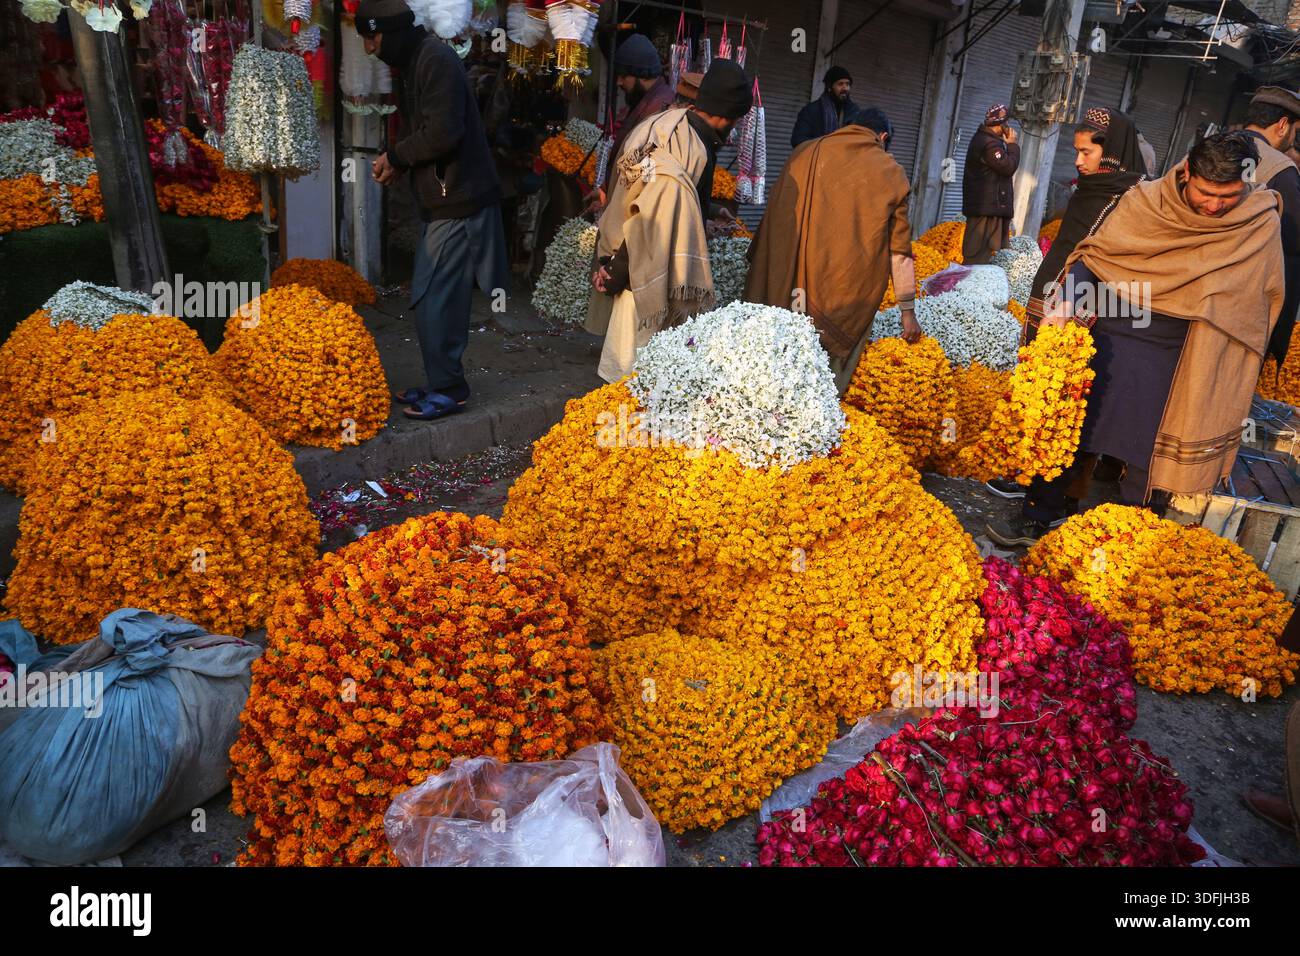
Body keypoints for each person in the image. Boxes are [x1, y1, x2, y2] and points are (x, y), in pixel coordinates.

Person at [986, 132, 1285, 547]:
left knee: (1151, 452)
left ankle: (1127, 541)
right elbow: (1095, 257)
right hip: (1110, 337)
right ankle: (1040, 514)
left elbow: (1260, 296)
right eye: (1206, 192)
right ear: (1187, 174)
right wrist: (1065, 303)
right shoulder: (1146, 201)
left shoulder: (1257, 221)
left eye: (1229, 195)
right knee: (1071, 429)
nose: (1215, 205)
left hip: (1185, 354)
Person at [357, 0, 507, 421]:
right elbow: (420, 130)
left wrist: (398, 157)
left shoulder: (435, 60)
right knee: (435, 295)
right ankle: (441, 379)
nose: (370, 48)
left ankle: (450, 387)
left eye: (373, 37)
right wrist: (394, 156)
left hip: (458, 199)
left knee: (434, 297)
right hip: (447, 198)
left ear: (393, 32)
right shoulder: (418, 62)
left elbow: (443, 132)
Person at [986, 107, 1146, 502]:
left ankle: (1052, 490)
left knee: (1064, 404)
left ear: (1110, 154)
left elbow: (1118, 264)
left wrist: (1077, 308)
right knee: (1033, 392)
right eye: (1076, 151)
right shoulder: (1090, 190)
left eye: (1085, 152)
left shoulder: (1131, 199)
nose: (1077, 161)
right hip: (1051, 302)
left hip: (1084, 314)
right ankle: (1025, 472)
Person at [585, 60, 753, 384]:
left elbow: (653, 193)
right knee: (637, 374)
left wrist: (711, 209)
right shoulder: (693, 148)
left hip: (630, 256)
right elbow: (650, 213)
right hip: (646, 272)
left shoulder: (669, 127)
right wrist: (617, 271)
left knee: (633, 370)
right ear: (727, 115)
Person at [745, 106, 920, 394]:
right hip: (840, 296)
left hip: (780, 280)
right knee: (822, 382)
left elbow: (774, 216)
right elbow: (899, 252)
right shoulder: (891, 172)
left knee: (763, 368)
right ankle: (815, 419)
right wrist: (907, 311)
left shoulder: (804, 151)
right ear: (883, 137)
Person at [589, 33, 677, 215]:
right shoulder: (646, 102)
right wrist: (607, 191)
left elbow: (647, 177)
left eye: (623, 76)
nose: (619, 82)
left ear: (642, 75)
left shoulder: (659, 112)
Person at [1243, 86, 1300, 366]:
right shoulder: (1280, 168)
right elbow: (1295, 237)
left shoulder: (1205, 148)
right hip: (1243, 302)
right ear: (1282, 125)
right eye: (1295, 130)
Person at [962, 104, 1020, 264]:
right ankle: (970, 284)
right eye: (1006, 124)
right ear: (1001, 125)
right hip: (984, 209)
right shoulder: (989, 144)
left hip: (986, 207)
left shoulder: (986, 140)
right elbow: (1007, 167)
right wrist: (1013, 145)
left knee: (984, 254)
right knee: (976, 255)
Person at [790, 66, 856, 148]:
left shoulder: (854, 111)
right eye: (840, 84)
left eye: (847, 84)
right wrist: (827, 144)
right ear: (829, 87)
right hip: (819, 159)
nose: (845, 88)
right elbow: (798, 140)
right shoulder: (811, 111)